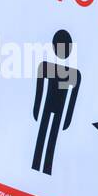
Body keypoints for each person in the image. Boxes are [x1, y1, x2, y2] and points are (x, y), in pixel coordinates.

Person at [32, 29, 81, 175]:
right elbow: (39, 90)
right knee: (44, 133)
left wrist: (67, 119)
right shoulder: (48, 67)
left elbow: (72, 100)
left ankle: (46, 166)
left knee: (50, 135)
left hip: (55, 109)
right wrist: (37, 108)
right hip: (50, 108)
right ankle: (38, 164)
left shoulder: (72, 73)